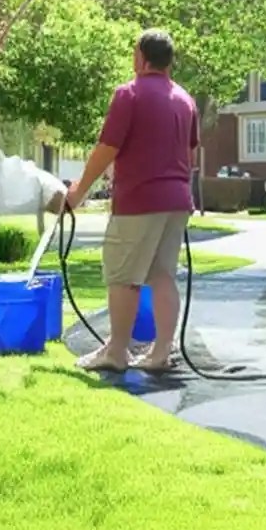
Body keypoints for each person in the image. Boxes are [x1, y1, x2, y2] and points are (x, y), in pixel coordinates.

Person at [67, 29, 199, 372]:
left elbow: (106, 149)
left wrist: (79, 190)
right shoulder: (185, 100)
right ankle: (160, 353)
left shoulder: (129, 94)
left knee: (123, 276)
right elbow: (190, 154)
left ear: (141, 56)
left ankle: (117, 352)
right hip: (177, 199)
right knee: (162, 275)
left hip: (140, 199)